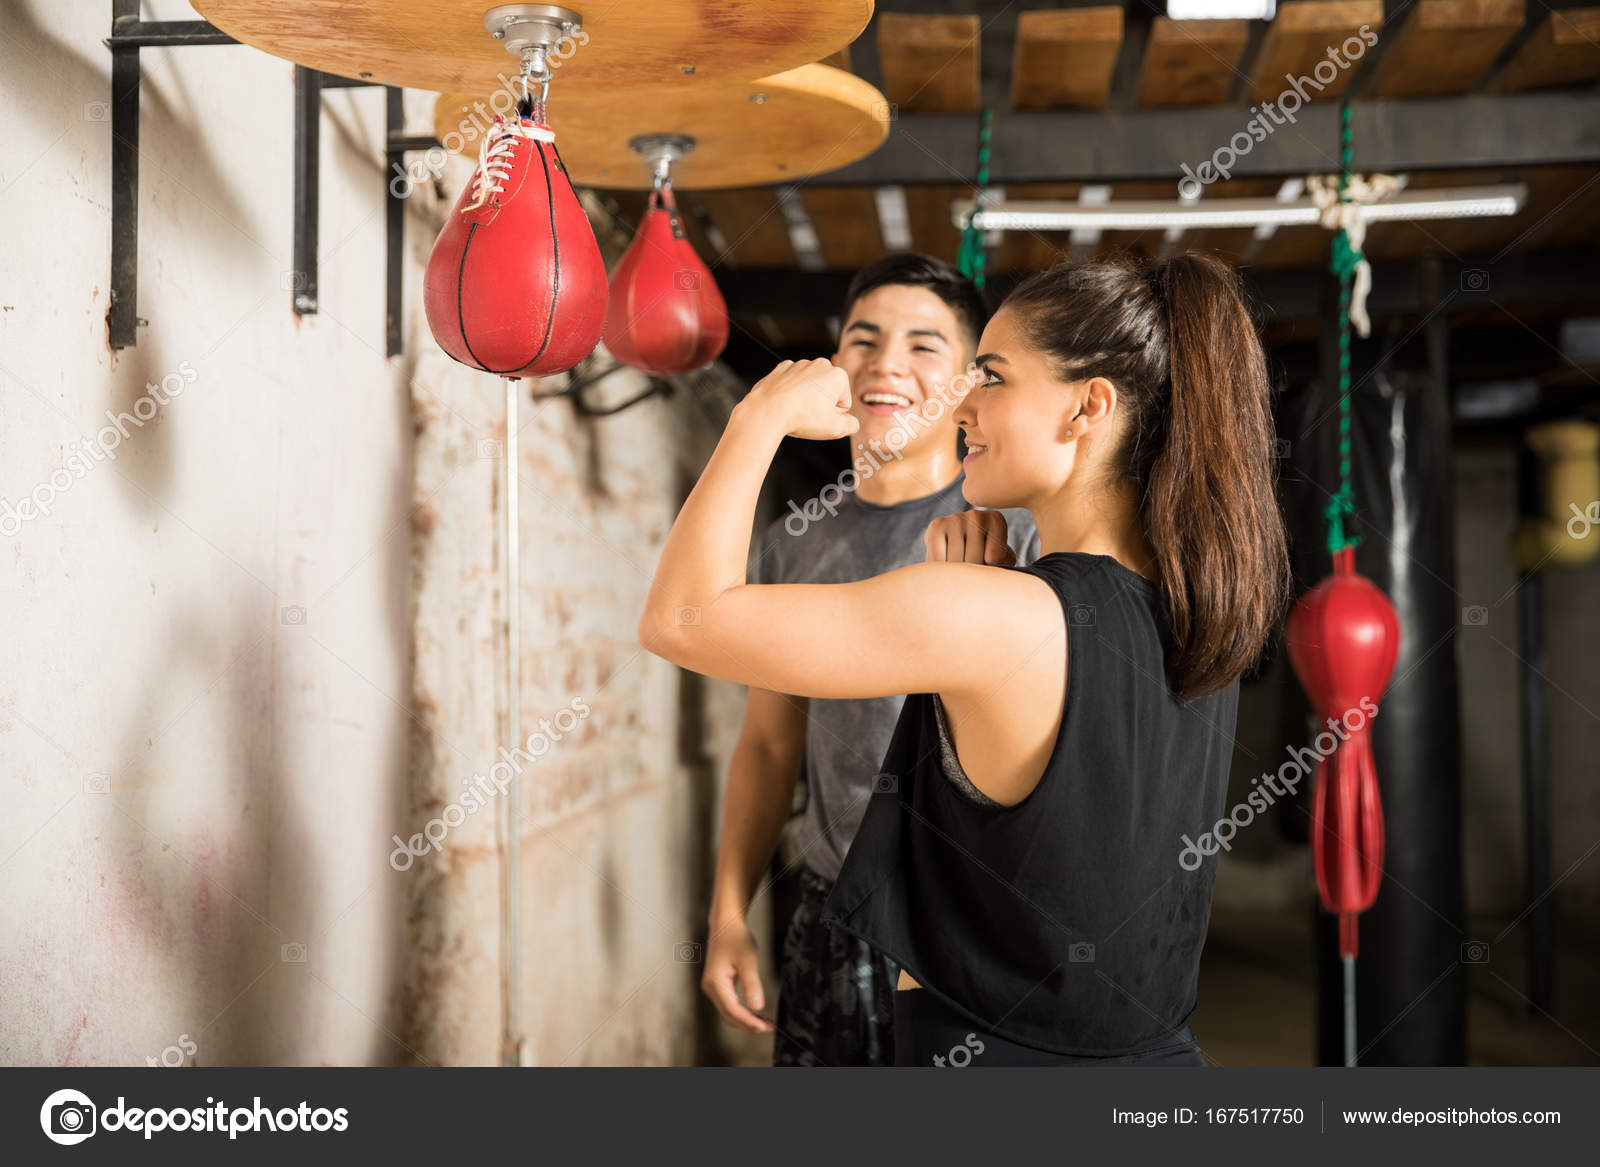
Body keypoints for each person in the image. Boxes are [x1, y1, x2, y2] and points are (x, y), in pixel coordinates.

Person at [641, 251, 1288, 1066]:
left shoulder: (994, 613)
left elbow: (679, 619)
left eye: (992, 377)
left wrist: (756, 418)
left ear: (1088, 407)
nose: (965, 404)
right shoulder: (1197, 608)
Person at [699, 253, 1038, 1067]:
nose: (886, 362)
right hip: (832, 906)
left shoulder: (1017, 530)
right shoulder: (793, 542)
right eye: (863, 338)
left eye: (924, 345)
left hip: (969, 916)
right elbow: (770, 742)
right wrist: (728, 909)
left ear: (967, 383)